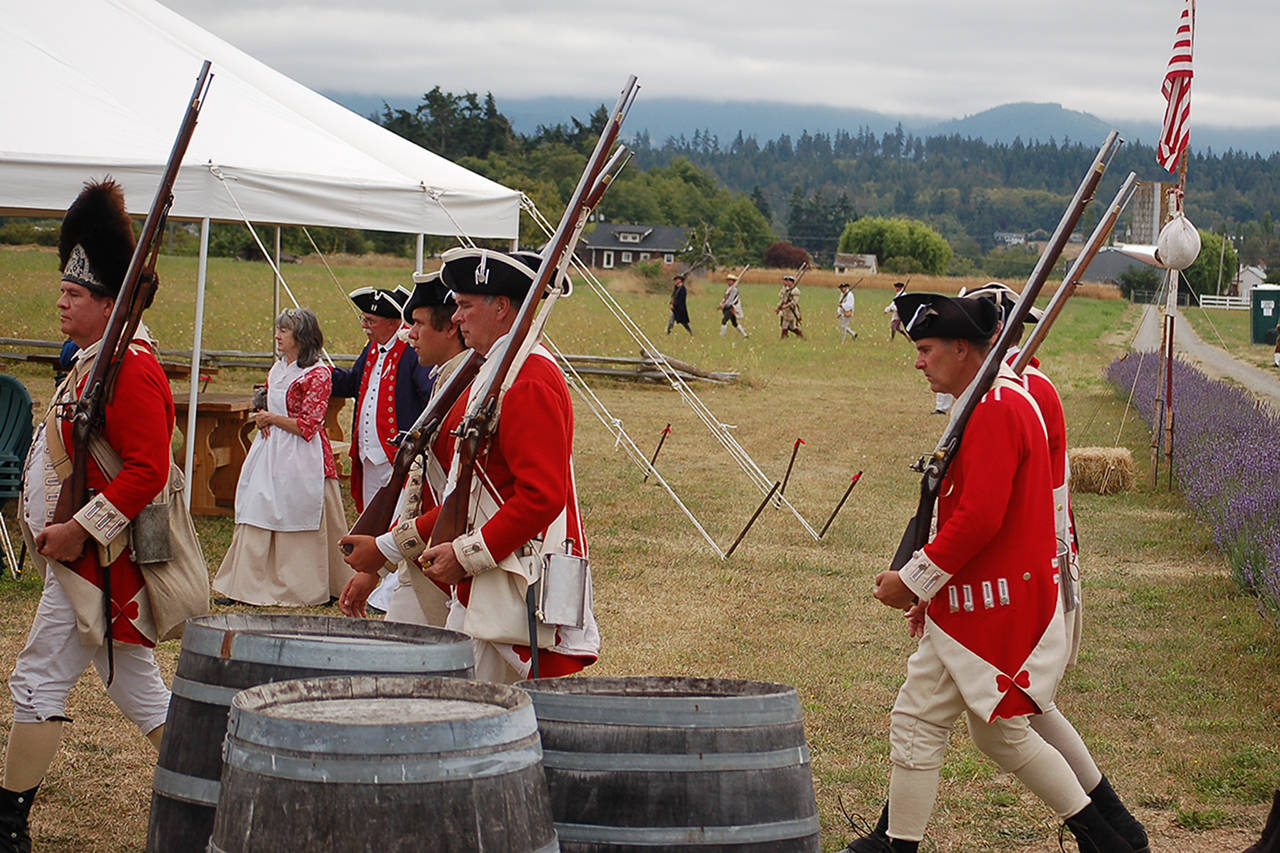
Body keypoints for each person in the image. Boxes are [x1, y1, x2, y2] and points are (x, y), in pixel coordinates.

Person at [844, 292, 1134, 852]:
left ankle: (897, 843)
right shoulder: (990, 399)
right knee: (974, 728)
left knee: (935, 721)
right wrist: (930, 589)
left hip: (992, 599)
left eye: (926, 348)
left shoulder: (998, 405)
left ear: (962, 346)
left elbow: (980, 518)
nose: (918, 360)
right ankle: (1110, 836)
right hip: (983, 595)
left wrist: (914, 581)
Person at [4, 179, 172, 850]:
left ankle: (8, 822)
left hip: (96, 562)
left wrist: (79, 527)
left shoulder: (131, 366)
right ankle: (220, 782)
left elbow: (147, 471)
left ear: (107, 301)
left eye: (74, 294)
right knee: (136, 689)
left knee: (38, 676)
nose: (61, 302)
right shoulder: (98, 361)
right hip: (82, 560)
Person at [958, 283, 1148, 851]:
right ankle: (1119, 831)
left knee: (997, 718)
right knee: (1012, 710)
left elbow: (1004, 508)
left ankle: (1110, 833)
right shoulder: (1014, 385)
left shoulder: (1020, 392)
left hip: (1031, 578)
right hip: (1030, 572)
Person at [411, 248, 601, 684]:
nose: (455, 318)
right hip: (494, 576)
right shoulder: (499, 369)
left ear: (501, 308)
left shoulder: (528, 377)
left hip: (515, 580)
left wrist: (465, 555)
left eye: (464, 305)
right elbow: (475, 488)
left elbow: (542, 496)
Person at [338, 271, 468, 627]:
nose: (408, 334)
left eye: (418, 323)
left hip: (451, 563)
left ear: (450, 329)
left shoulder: (467, 389)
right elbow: (417, 487)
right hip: (423, 557)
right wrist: (377, 565)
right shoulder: (447, 380)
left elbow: (462, 497)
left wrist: (383, 551)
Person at [212, 308, 353, 606]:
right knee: (258, 507)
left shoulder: (317, 374)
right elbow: (265, 400)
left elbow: (309, 425)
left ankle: (304, 586)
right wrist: (262, 416)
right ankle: (246, 586)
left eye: (284, 331)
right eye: (278, 329)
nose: (277, 335)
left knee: (297, 510)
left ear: (301, 337)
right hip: (270, 450)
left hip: (304, 455)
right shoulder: (278, 368)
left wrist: (271, 419)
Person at [330, 286, 433, 512]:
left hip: (397, 456)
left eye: (370, 321)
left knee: (396, 518)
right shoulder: (373, 349)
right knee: (370, 516)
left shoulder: (411, 350)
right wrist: (320, 372)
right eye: (364, 319)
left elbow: (430, 395)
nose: (364, 326)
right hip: (368, 455)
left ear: (391, 322)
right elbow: (352, 383)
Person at [718, 273, 748, 337]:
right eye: (728, 280)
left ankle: (721, 336)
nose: (728, 282)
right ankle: (745, 335)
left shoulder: (734, 290)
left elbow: (730, 301)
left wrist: (723, 305)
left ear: (733, 281)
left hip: (731, 308)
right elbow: (725, 298)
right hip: (727, 307)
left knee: (724, 321)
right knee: (734, 323)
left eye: (730, 280)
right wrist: (721, 304)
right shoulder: (728, 289)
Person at [776, 274, 803, 338]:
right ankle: (800, 335)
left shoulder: (795, 291)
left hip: (791, 310)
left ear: (792, 282)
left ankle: (783, 338)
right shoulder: (787, 289)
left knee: (785, 325)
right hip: (786, 310)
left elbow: (794, 302)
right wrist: (778, 307)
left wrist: (786, 306)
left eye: (789, 281)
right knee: (792, 327)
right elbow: (783, 300)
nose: (787, 282)